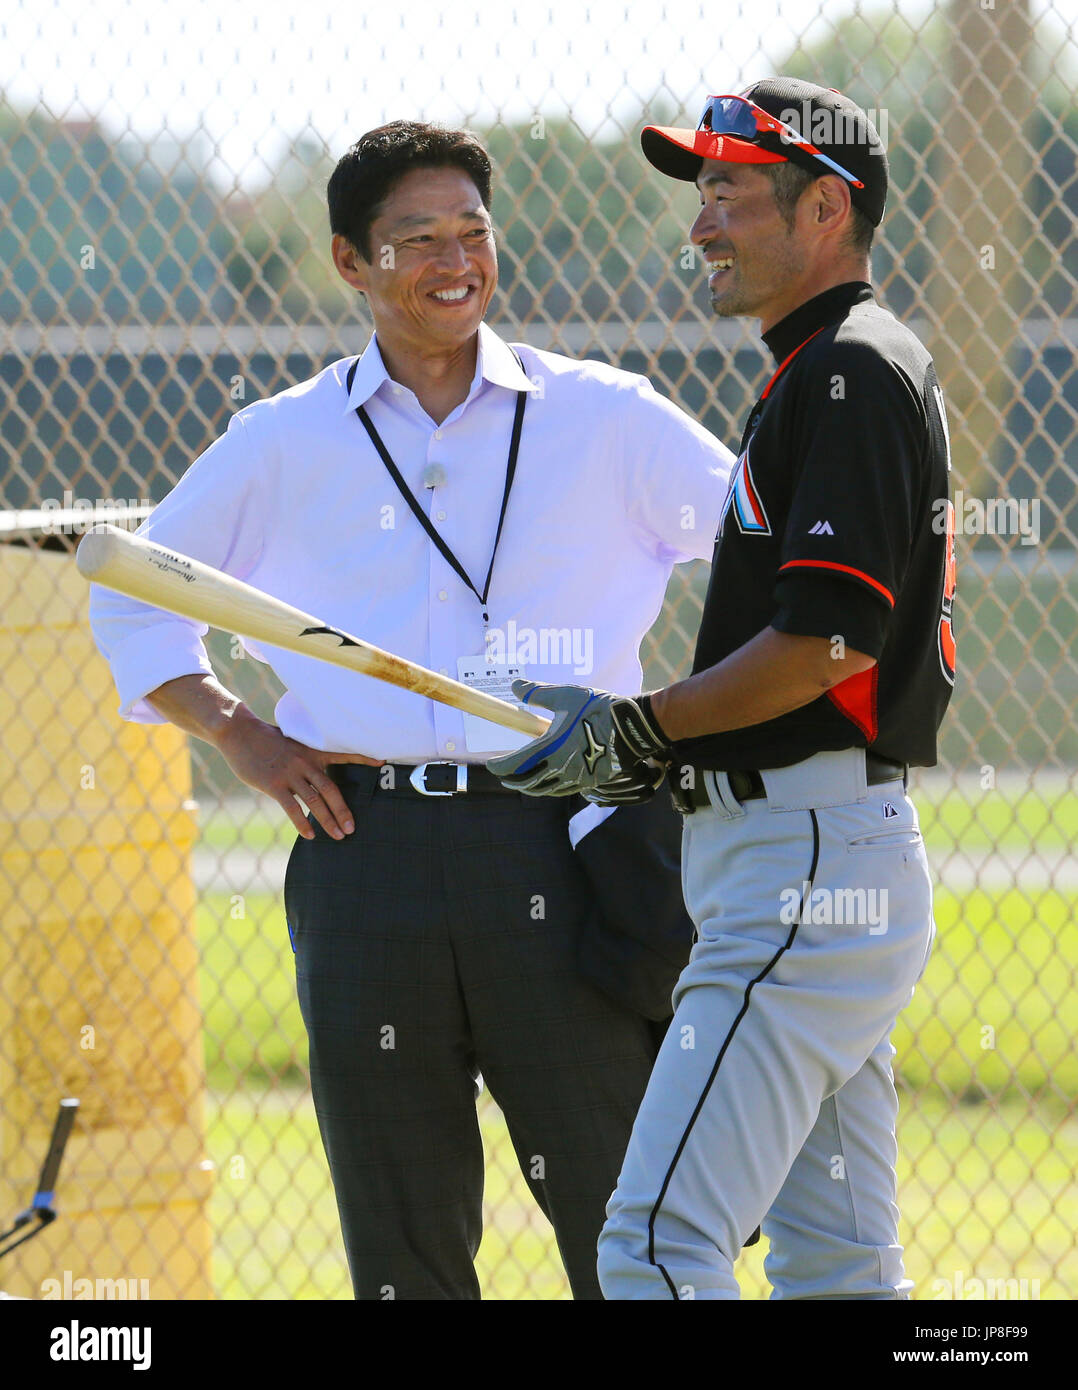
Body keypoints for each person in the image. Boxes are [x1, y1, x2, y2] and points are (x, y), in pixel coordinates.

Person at [88, 120, 733, 1300]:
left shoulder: (606, 416)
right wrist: (240, 729)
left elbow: (769, 546)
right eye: (417, 239)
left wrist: (677, 731)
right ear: (349, 263)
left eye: (473, 233)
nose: (454, 261)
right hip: (361, 848)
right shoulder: (281, 441)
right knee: (400, 1234)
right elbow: (131, 597)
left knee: (629, 1212)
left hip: (568, 840)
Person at [488, 79, 956, 1299]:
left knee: (653, 1244)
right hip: (826, 853)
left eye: (731, 193)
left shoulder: (848, 369)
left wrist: (634, 731)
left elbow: (826, 645)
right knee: (840, 1264)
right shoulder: (827, 365)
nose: (700, 223)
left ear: (824, 208)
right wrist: (640, 736)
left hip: (800, 859)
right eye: (701, 193)